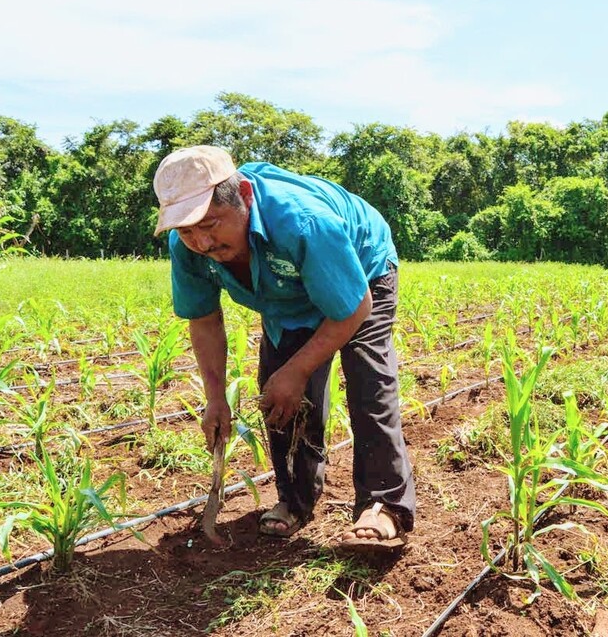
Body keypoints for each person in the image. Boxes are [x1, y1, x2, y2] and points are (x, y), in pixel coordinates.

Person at [152, 145, 414, 550]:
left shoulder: (304, 222)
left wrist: (299, 369)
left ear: (244, 196)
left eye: (210, 224)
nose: (201, 242)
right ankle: (295, 499)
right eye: (187, 231)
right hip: (287, 297)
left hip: (361, 271)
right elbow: (204, 319)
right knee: (278, 396)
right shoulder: (187, 247)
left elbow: (355, 307)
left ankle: (383, 505)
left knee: (368, 383)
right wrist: (216, 398)